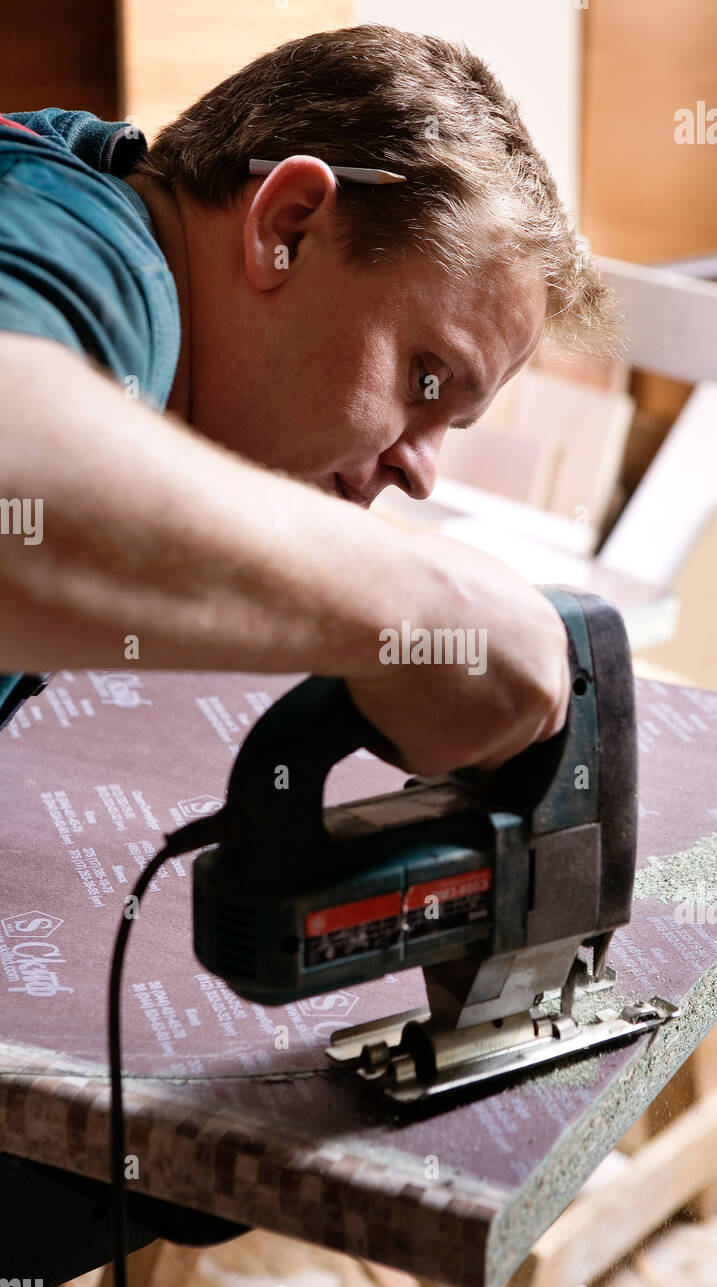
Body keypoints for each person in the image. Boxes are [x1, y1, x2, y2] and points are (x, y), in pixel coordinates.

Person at [0, 23, 615, 774]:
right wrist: (425, 606)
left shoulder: (72, 179)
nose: (421, 474)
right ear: (288, 227)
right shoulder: (91, 250)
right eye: (426, 376)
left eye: (453, 423)